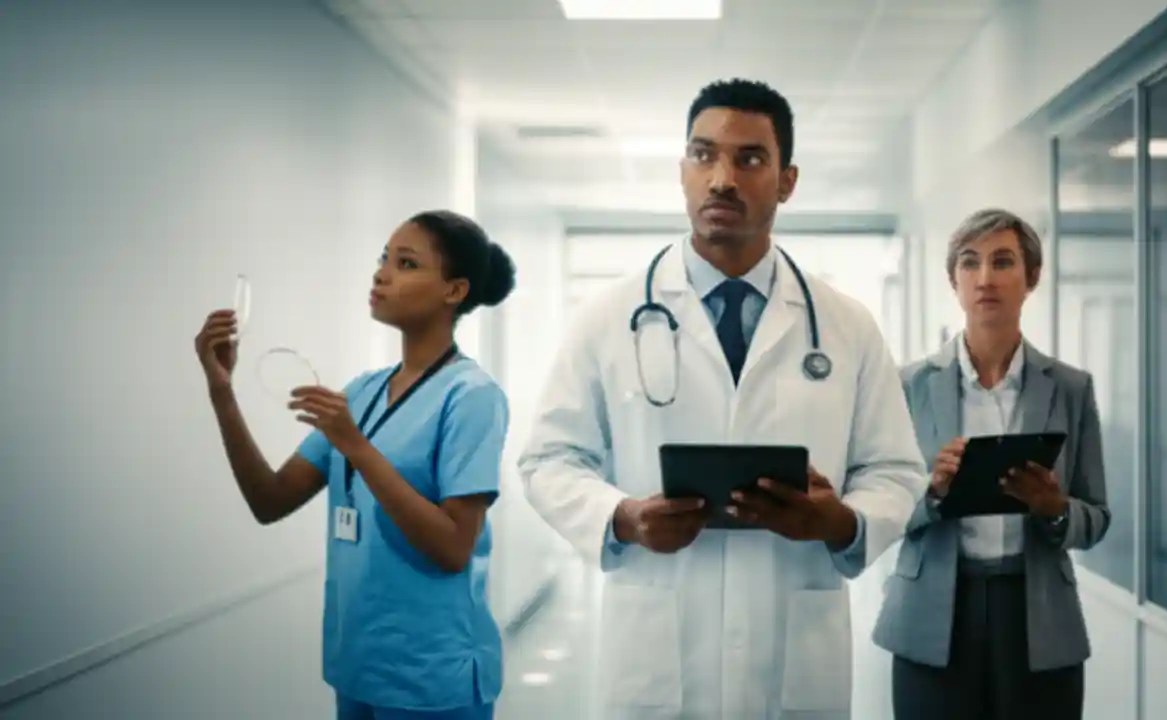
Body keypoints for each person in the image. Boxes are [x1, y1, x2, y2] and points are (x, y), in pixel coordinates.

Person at [517, 78, 927, 720]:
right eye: (703, 154)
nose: (721, 179)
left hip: (794, 659)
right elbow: (548, 460)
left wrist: (840, 522)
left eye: (749, 158)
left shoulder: (846, 326)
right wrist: (624, 518)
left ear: (787, 181)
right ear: (682, 170)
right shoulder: (609, 316)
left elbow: (896, 470)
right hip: (656, 656)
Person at [193, 210, 516, 720]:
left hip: (432, 676)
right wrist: (221, 392)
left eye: (406, 263)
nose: (382, 274)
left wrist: (358, 448)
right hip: (358, 665)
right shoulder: (362, 392)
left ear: (454, 291)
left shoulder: (472, 396)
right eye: (383, 259)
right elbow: (269, 500)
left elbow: (454, 548)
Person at [872, 208, 1110, 720]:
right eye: (969, 262)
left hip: (1038, 617)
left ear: (1032, 277)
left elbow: (1096, 516)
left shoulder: (1071, 388)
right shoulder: (907, 386)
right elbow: (879, 506)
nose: (985, 278)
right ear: (953, 280)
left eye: (1002, 262)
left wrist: (1055, 508)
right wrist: (933, 492)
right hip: (932, 613)